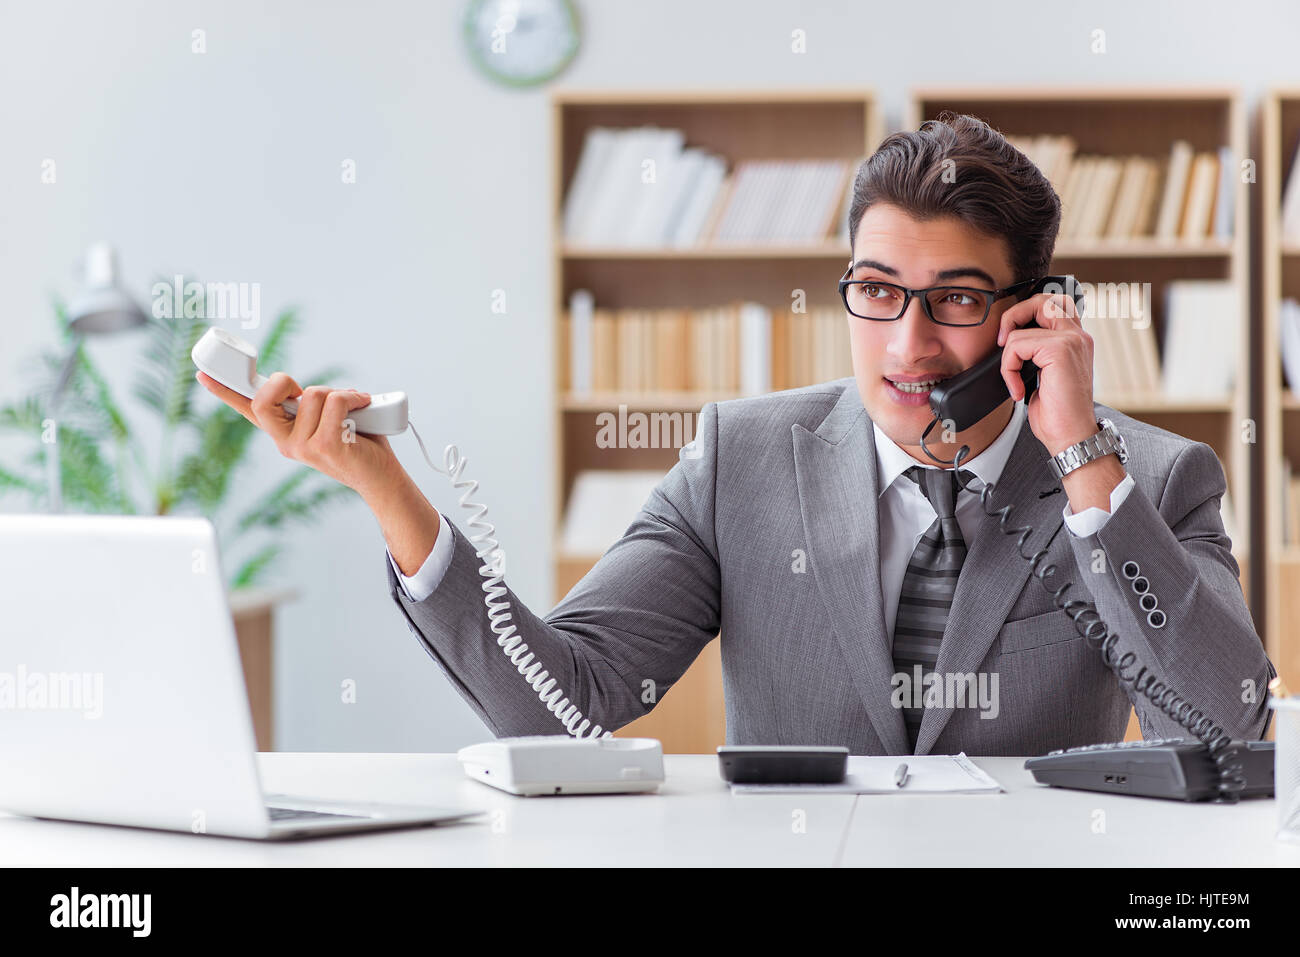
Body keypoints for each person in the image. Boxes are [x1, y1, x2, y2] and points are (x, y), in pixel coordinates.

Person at [199, 113, 1275, 755]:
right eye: (874, 291)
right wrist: (393, 499)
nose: (906, 344)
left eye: (953, 299)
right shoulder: (741, 460)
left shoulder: (1149, 479)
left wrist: (1084, 465)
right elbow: (566, 699)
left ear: (1035, 312)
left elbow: (1225, 730)